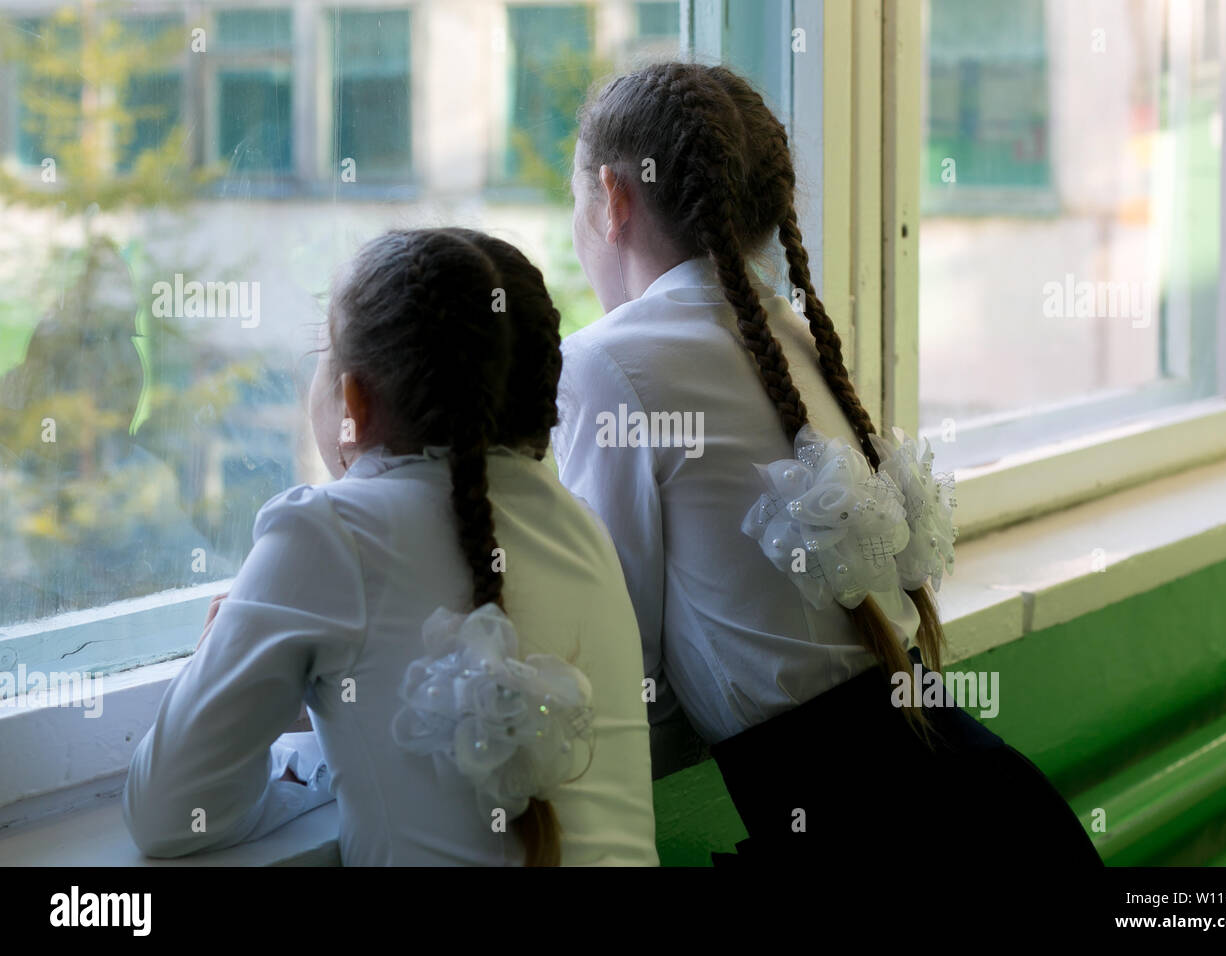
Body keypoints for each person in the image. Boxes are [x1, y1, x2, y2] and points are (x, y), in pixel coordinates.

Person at [553, 62, 1103, 866]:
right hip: (992, 813)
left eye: (576, 200)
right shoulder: (794, 339)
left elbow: (614, 649)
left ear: (613, 198)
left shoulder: (608, 366)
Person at [124, 227, 658, 866]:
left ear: (353, 401)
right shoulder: (583, 531)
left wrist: (217, 656)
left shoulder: (324, 532)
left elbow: (167, 816)